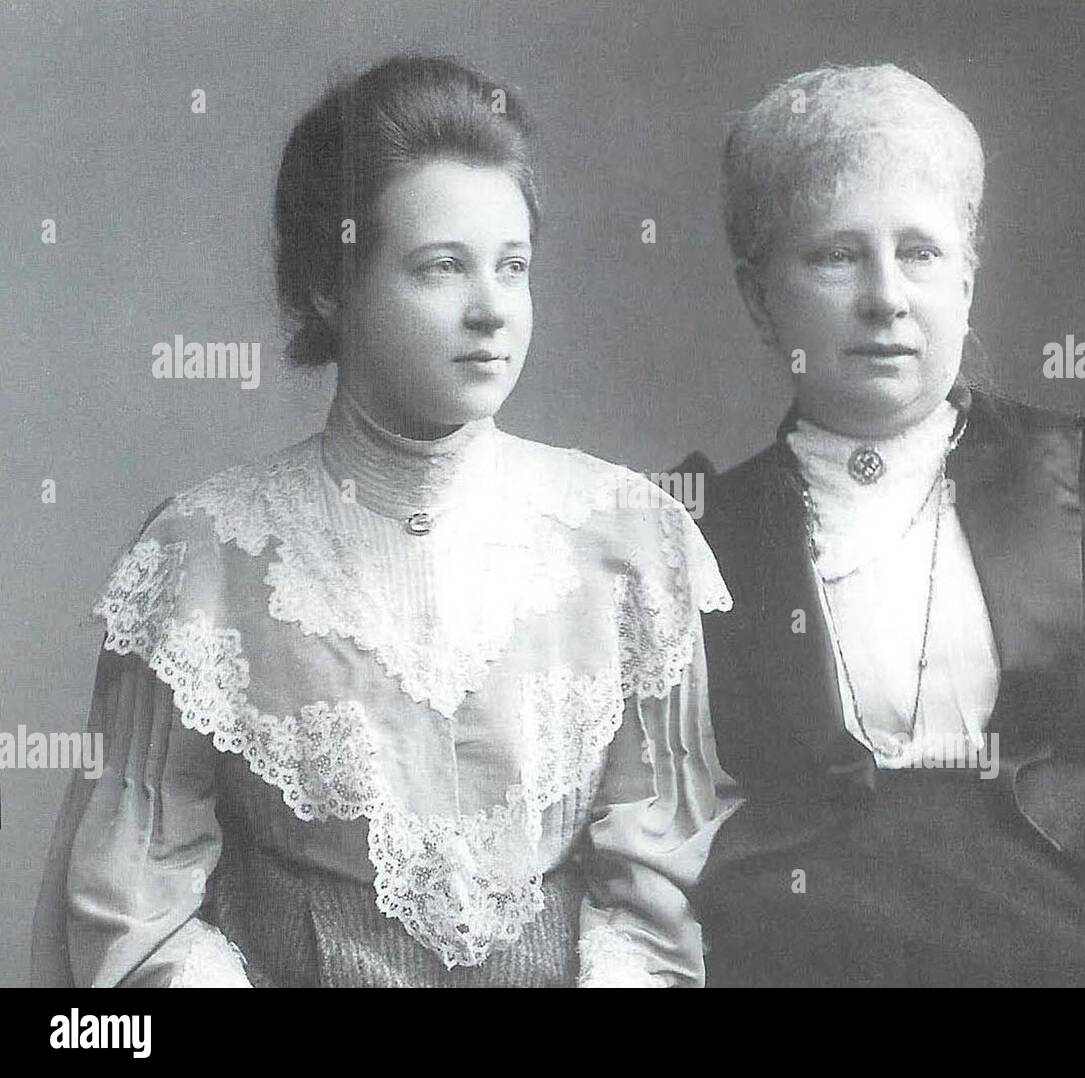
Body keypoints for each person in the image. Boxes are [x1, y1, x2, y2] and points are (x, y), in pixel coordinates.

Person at [31, 55, 737, 988]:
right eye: (442, 268)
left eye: (513, 267)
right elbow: (129, 915)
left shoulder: (633, 541)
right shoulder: (203, 557)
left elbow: (664, 889)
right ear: (333, 285)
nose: (491, 310)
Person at [685, 63, 1085, 987]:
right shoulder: (702, 540)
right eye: (836, 255)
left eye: (921, 253)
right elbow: (658, 822)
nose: (885, 296)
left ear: (967, 281)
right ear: (758, 298)